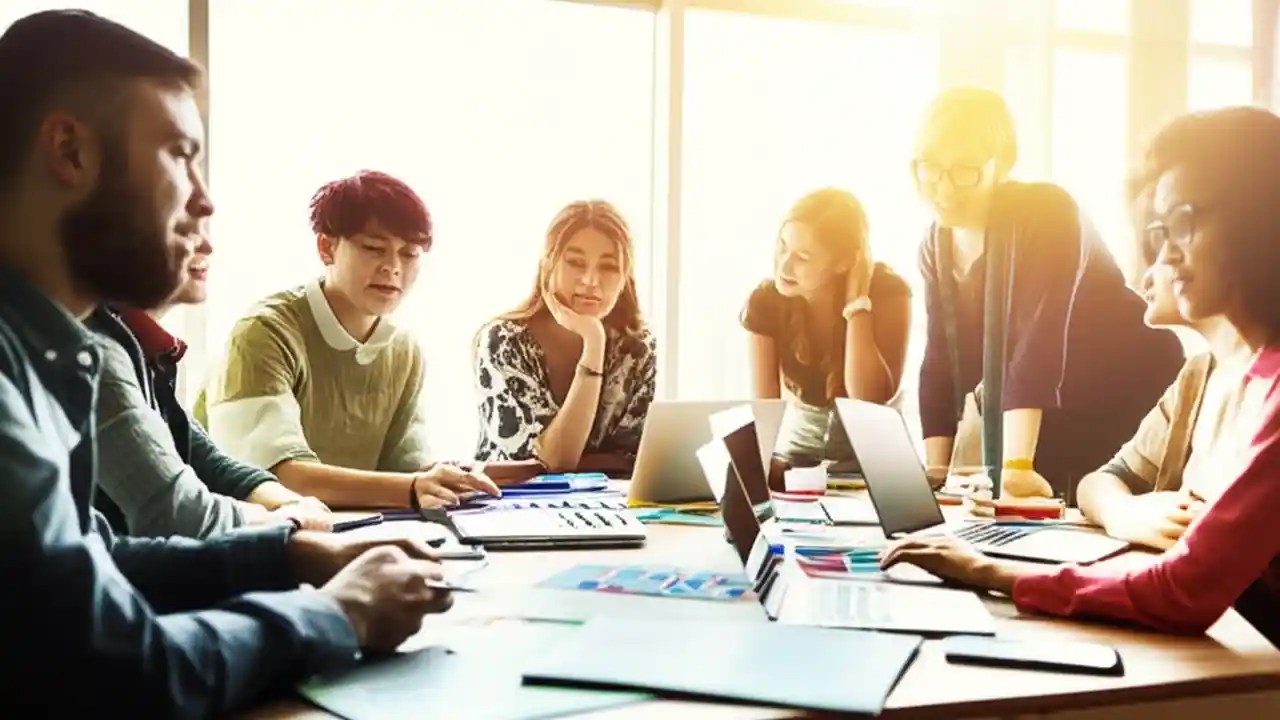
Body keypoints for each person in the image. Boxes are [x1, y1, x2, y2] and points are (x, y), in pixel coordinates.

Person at [0, 10, 454, 715]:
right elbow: (109, 669)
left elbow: (91, 562)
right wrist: (339, 615)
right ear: (70, 150)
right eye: (181, 155)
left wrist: (291, 557)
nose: (204, 200)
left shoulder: (46, 351)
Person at [882, 106, 1280, 649]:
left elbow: (1185, 590)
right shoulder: (1206, 376)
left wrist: (990, 572)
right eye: (1158, 230)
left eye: (1183, 223)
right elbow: (1106, 481)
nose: (1163, 255)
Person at [913, 87, 1183, 499]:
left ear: (1001, 165)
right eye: (929, 168)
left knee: (1086, 518)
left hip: (1123, 389)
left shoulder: (1045, 212)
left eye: (965, 170)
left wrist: (1017, 466)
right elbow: (939, 362)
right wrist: (936, 474)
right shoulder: (935, 244)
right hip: (1045, 411)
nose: (943, 188)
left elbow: (1036, 337)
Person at [196, 171, 501, 508]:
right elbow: (275, 478)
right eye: (374, 248)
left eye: (410, 254)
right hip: (244, 538)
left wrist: (443, 476)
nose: (393, 267)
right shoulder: (263, 333)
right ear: (326, 247)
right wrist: (412, 487)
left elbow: (404, 468)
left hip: (350, 533)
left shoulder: (404, 349)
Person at [89, 223, 332, 538]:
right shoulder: (97, 348)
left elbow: (207, 461)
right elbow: (179, 512)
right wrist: (286, 520)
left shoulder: (144, 348)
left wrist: (293, 505)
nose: (206, 245)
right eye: (179, 224)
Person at [1074, 214, 1255, 550]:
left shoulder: (1264, 385)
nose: (1148, 275)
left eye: (1172, 245)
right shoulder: (1196, 377)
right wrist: (1124, 512)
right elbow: (1100, 480)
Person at [474, 200, 657, 474]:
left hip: (607, 509)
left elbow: (639, 461)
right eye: (575, 263)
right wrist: (593, 342)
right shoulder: (503, 341)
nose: (590, 281)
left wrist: (555, 463)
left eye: (608, 267)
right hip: (511, 506)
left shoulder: (637, 347)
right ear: (547, 266)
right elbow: (554, 461)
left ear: (624, 279)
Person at [741, 188, 911, 469]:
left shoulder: (888, 291)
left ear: (844, 263)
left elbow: (871, 398)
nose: (784, 265)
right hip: (798, 458)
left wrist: (857, 304)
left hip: (878, 462)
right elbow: (765, 416)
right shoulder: (765, 301)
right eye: (782, 246)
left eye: (803, 257)